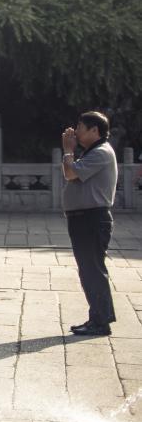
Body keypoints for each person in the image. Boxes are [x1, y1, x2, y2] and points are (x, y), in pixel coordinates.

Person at [61, 111, 119, 336]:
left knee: (92, 270)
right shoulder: (92, 153)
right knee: (88, 270)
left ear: (95, 130)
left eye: (80, 127)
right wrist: (71, 153)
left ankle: (101, 321)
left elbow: (70, 173)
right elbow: (71, 173)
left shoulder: (101, 153)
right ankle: (97, 318)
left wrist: (68, 151)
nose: (76, 131)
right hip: (84, 219)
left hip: (92, 219)